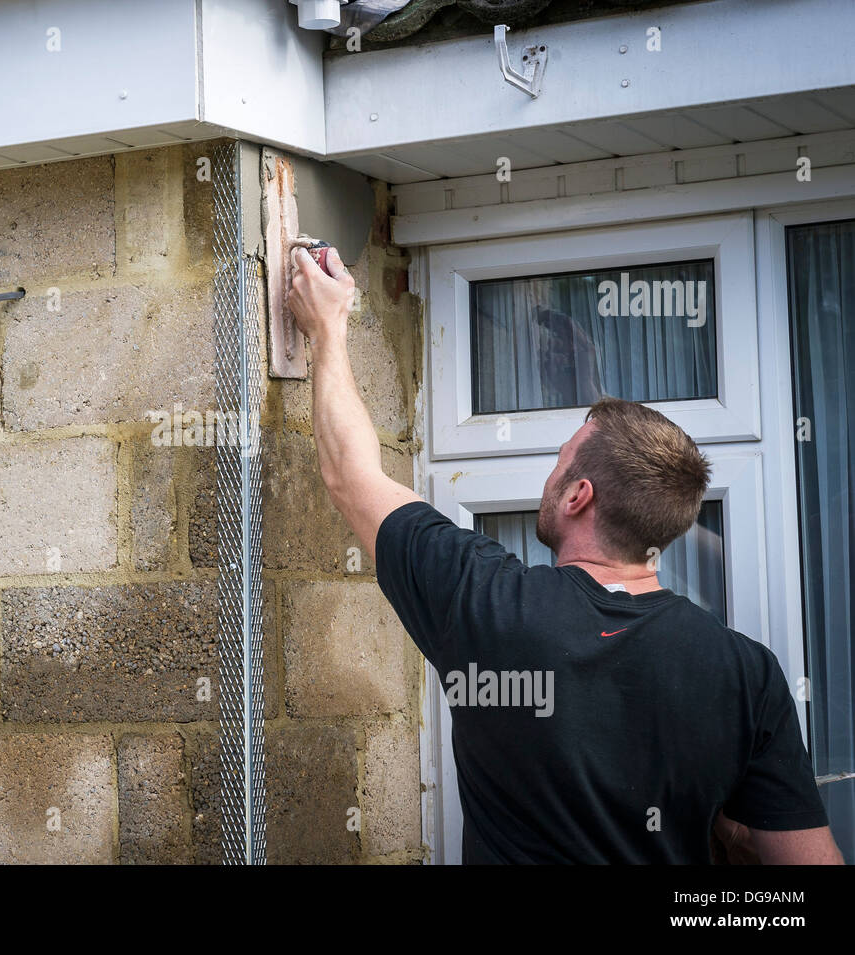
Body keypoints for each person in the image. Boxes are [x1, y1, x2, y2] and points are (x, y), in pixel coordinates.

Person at [286, 243, 844, 864]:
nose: (548, 477)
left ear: (579, 495)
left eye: (559, 465)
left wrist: (327, 328)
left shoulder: (492, 606)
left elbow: (350, 475)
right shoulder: (747, 673)